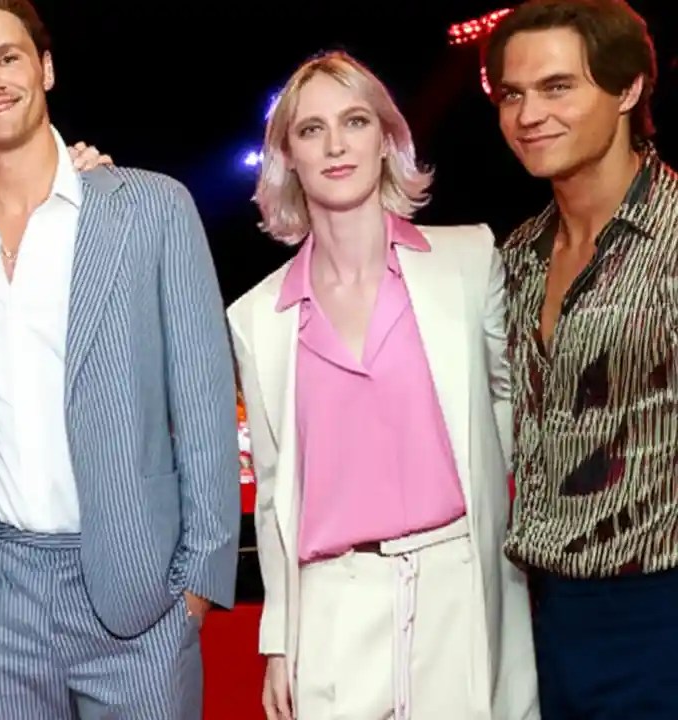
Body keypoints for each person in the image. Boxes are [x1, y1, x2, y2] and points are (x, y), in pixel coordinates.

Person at [0, 1, 241, 717]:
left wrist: (197, 582)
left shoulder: (150, 207)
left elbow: (206, 401)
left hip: (139, 591)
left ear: (46, 68)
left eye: (8, 57)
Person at [227, 51, 539, 720]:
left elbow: (514, 412)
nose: (336, 144)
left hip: (458, 588)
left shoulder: (468, 259)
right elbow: (275, 493)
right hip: (332, 605)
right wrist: (280, 639)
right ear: (287, 156)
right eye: (311, 130)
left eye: (356, 120)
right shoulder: (256, 317)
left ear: (387, 139)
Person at [484, 1, 678, 716]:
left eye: (558, 87)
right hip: (539, 617)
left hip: (658, 614)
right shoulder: (515, 257)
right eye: (512, 94)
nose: (528, 113)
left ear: (628, 90)